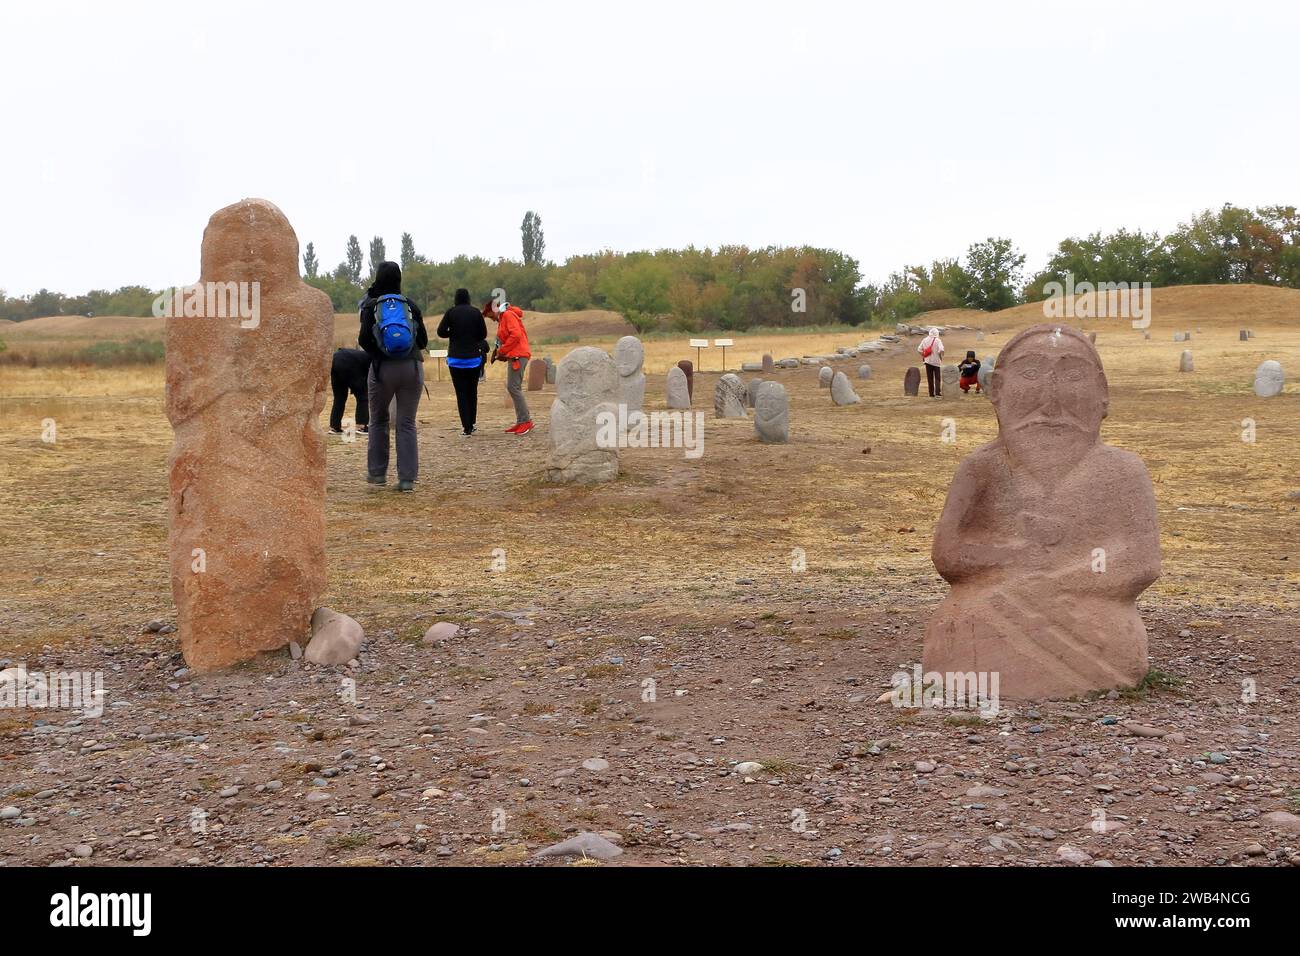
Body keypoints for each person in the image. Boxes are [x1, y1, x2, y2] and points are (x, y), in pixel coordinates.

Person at [358, 261, 427, 491]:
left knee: (378, 420)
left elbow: (363, 340)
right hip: (412, 367)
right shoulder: (410, 305)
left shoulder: (371, 306)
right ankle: (407, 479)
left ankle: (377, 474)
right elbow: (424, 341)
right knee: (406, 423)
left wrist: (380, 352)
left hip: (382, 370)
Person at [438, 288, 489, 436]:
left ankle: (466, 427)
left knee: (461, 393)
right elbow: (483, 334)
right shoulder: (475, 312)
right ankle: (472, 423)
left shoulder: (451, 312)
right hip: (473, 359)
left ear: (456, 298)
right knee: (472, 392)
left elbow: (440, 331)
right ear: (468, 298)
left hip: (456, 360)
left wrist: (452, 333)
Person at [484, 298, 534, 434]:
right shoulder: (505, 316)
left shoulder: (507, 315)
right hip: (515, 355)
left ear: (494, 310)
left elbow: (516, 335)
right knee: (513, 388)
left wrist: (503, 350)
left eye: (490, 316)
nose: (492, 320)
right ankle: (521, 421)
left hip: (519, 355)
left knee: (514, 388)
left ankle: (526, 421)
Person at [328, 347, 371, 434]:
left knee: (339, 398)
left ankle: (334, 427)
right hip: (349, 363)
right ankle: (361, 426)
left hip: (335, 359)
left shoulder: (364, 355)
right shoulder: (374, 359)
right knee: (362, 397)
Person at [918, 326, 945, 397]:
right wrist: (941, 356)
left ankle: (931, 393)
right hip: (936, 362)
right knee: (937, 378)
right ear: (937, 333)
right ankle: (937, 393)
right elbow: (941, 350)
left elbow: (919, 349)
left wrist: (924, 355)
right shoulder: (938, 340)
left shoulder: (924, 340)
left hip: (927, 361)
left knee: (930, 378)